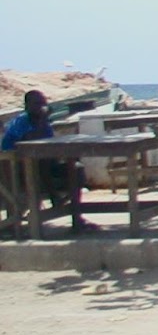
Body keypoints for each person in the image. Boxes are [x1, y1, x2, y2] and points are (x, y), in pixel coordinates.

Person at [2, 90, 93, 232]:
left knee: (76, 168)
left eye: (43, 103)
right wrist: (43, 120)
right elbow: (29, 142)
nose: (41, 106)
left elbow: (49, 144)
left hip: (40, 165)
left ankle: (76, 216)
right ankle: (54, 196)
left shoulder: (43, 123)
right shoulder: (21, 121)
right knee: (41, 161)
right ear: (27, 106)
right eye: (37, 103)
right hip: (15, 169)